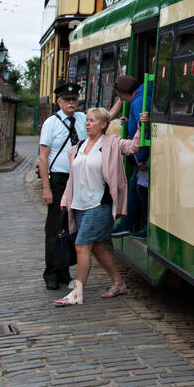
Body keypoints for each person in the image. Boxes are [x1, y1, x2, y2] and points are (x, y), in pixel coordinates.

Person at [55, 106, 145, 306]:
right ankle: (119, 283)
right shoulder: (78, 147)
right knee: (98, 248)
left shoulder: (111, 144)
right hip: (79, 204)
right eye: (86, 120)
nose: (88, 124)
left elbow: (134, 147)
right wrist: (65, 201)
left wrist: (141, 126)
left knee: (81, 245)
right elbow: (73, 178)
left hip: (100, 204)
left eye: (93, 120)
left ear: (104, 124)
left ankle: (77, 293)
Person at [38, 81, 87, 290]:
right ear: (59, 101)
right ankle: (51, 272)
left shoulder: (83, 119)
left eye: (74, 99)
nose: (71, 103)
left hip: (78, 178)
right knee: (54, 226)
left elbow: (106, 117)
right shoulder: (51, 123)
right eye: (67, 100)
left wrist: (121, 102)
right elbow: (43, 158)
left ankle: (64, 269)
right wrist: (46, 188)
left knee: (69, 227)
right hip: (58, 180)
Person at [106, 76, 145, 238]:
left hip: (141, 157)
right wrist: (129, 122)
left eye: (122, 98)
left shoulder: (136, 102)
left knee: (137, 188)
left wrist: (141, 157)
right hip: (140, 156)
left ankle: (128, 224)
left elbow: (144, 129)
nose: (123, 101)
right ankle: (127, 223)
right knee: (136, 187)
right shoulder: (141, 96)